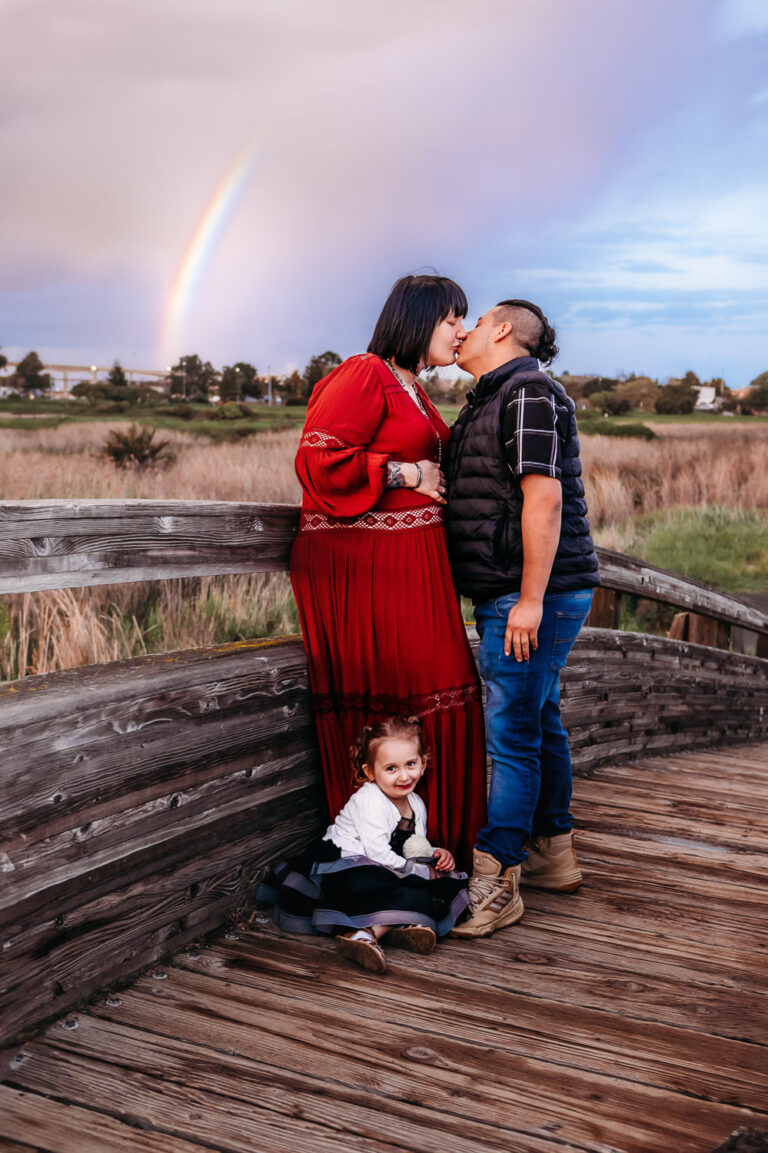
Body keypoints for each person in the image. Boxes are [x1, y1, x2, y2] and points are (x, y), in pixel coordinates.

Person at [290, 274, 487, 867]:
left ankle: (440, 855)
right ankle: (375, 862)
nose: (460, 333)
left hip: (412, 567)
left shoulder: (414, 389)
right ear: (417, 320)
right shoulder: (363, 373)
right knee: (398, 698)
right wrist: (408, 476)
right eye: (452, 320)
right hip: (365, 571)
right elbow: (318, 459)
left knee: (443, 692)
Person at [444, 299, 600, 939]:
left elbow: (544, 496)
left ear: (503, 330)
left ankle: (498, 878)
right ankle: (551, 855)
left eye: (476, 322)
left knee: (510, 732)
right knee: (537, 717)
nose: (465, 332)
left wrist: (529, 598)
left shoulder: (528, 391)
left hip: (529, 591)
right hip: (523, 587)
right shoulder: (492, 396)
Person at [257, 716, 470, 973]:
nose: (403, 775)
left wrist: (435, 854)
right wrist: (420, 872)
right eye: (391, 768)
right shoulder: (370, 799)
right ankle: (364, 934)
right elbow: (376, 853)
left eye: (410, 764)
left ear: (423, 764)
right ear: (370, 772)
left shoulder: (415, 803)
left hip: (384, 866)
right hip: (345, 865)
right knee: (398, 883)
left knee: (438, 885)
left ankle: (383, 931)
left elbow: (414, 846)